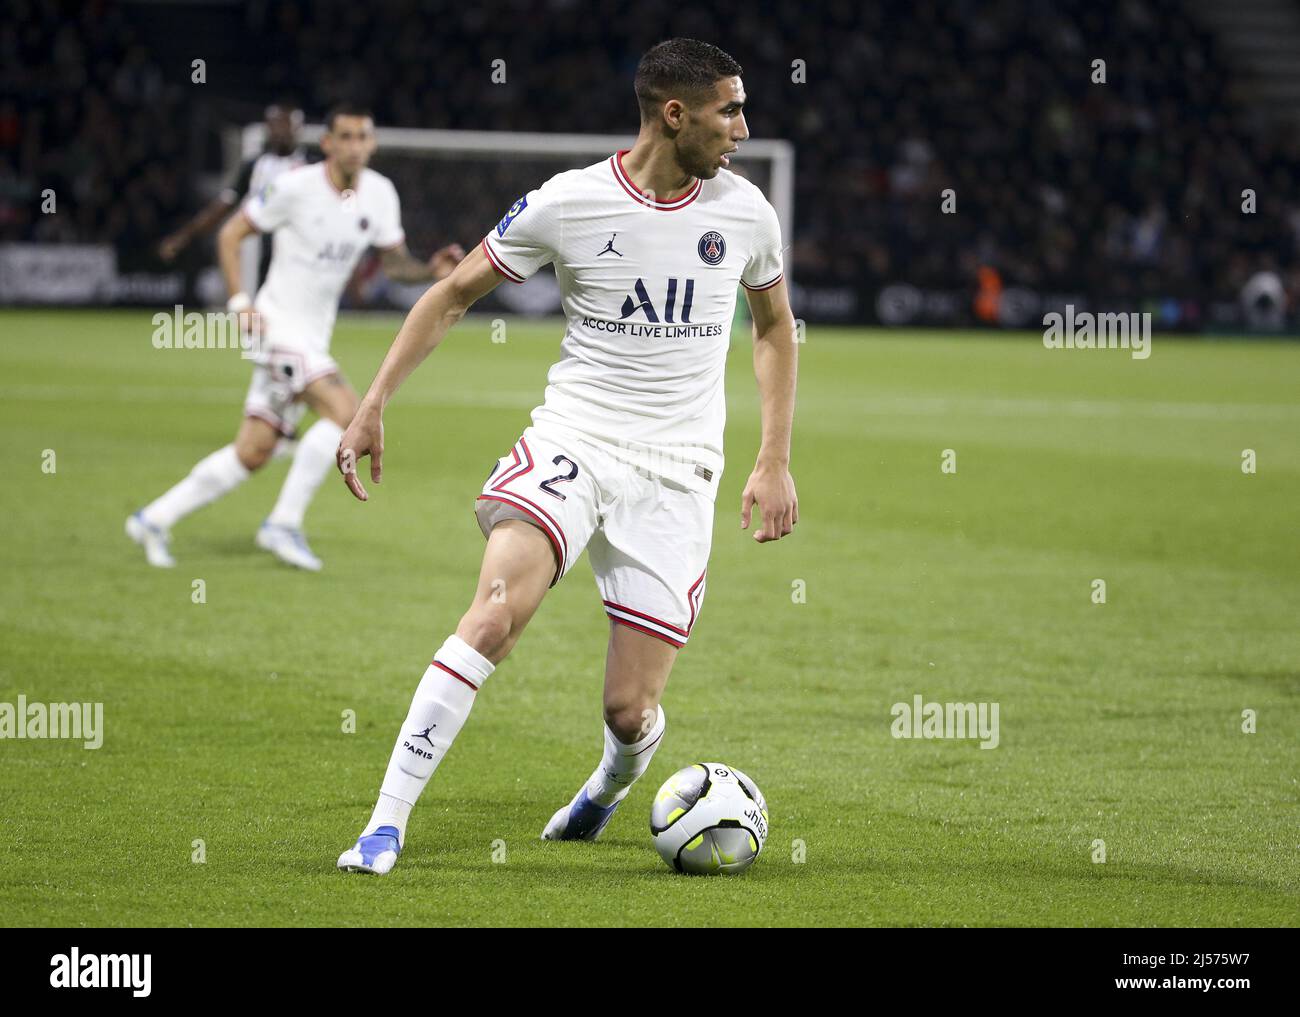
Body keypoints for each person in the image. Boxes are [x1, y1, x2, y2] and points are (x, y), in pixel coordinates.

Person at [335, 40, 798, 875]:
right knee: (494, 612)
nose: (743, 127)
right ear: (674, 113)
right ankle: (384, 823)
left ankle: (611, 785)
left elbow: (773, 330)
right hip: (574, 439)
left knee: (630, 708)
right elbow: (450, 293)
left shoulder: (746, 214)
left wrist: (773, 459)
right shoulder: (569, 202)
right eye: (729, 110)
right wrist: (372, 403)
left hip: (678, 468)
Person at [128, 104, 464, 570]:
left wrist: (430, 270)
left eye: (361, 136)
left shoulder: (380, 194)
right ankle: (283, 524)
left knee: (255, 449)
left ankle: (153, 518)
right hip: (276, 327)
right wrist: (239, 303)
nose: (353, 145)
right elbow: (231, 233)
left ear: (372, 143)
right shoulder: (293, 188)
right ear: (326, 143)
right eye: (343, 137)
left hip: (312, 337)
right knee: (347, 411)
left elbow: (393, 264)